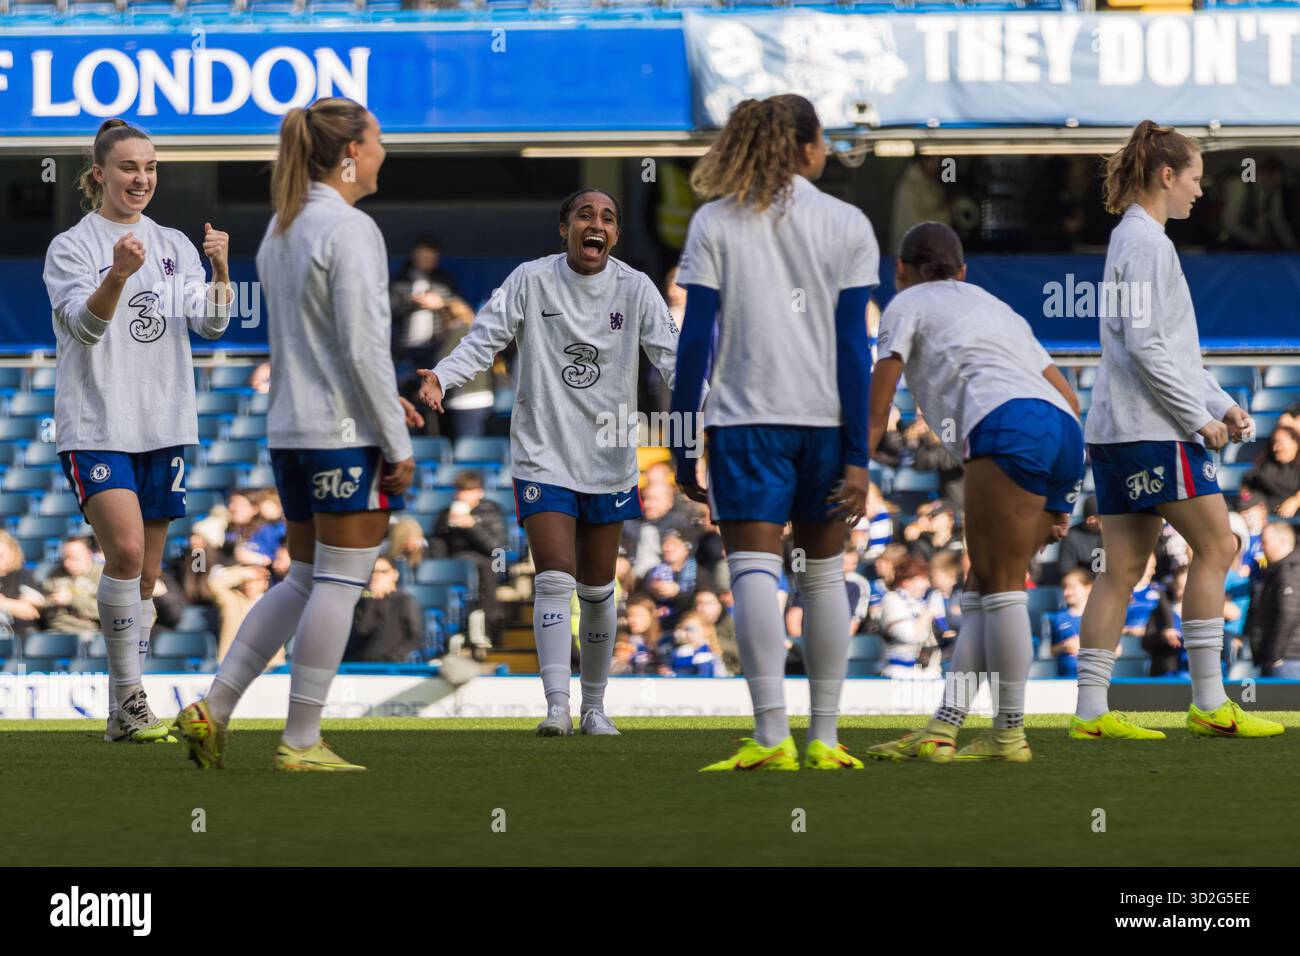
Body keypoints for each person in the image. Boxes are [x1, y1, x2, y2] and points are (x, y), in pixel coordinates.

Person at [175, 98, 419, 772]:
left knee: (305, 578)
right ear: (350, 153)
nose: (383, 151)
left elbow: (331, 348)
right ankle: (302, 741)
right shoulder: (350, 229)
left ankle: (213, 710)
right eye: (377, 139)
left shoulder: (280, 230)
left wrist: (385, 403)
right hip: (342, 432)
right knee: (340, 583)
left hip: (289, 431)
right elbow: (363, 349)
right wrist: (395, 441)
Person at [417, 186, 682, 737]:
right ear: (565, 230)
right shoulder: (530, 279)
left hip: (609, 456)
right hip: (543, 455)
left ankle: (595, 706)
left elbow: (673, 359)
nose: (598, 223)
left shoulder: (635, 288)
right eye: (585, 214)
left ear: (615, 235)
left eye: (608, 218)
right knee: (554, 578)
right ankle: (557, 706)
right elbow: (483, 338)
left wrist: (710, 415)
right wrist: (444, 375)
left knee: (598, 587)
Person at [672, 93, 879, 771]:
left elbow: (694, 342)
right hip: (825, 424)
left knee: (754, 573)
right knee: (823, 580)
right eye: (822, 140)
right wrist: (857, 454)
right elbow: (856, 351)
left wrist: (680, 441)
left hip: (744, 422)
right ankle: (824, 739)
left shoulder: (714, 223)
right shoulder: (848, 222)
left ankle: (770, 739)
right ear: (807, 147)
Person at [1072, 120, 1282, 741]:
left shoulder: (1138, 240)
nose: (1200, 190)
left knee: (1123, 569)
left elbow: (1169, 352)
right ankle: (1210, 701)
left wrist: (1222, 402)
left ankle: (1090, 714)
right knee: (1220, 546)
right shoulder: (1144, 243)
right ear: (1167, 175)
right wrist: (1198, 418)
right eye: (1195, 178)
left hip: (1122, 428)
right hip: (1151, 431)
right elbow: (1145, 346)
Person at [866, 220, 1084, 763]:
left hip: (1005, 427)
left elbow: (883, 386)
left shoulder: (906, 302)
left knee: (1003, 588)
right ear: (963, 272)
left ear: (901, 270)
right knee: (981, 585)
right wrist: (1059, 501)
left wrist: (857, 455)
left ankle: (1009, 734)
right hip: (1061, 432)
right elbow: (1070, 399)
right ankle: (944, 727)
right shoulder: (995, 305)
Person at [43, 117, 231, 743]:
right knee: (122, 554)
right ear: (100, 173)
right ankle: (128, 703)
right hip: (97, 423)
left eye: (150, 167)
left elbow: (210, 326)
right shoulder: (72, 246)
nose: (142, 178)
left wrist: (222, 272)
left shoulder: (174, 241)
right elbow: (85, 329)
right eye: (129, 167)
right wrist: (119, 273)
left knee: (146, 578)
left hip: (165, 423)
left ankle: (126, 713)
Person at [433, 470, 506, 642]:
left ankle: (486, 629)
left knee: (487, 568)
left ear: (479, 492)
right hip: (454, 562)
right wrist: (447, 526)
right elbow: (438, 542)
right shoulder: (446, 513)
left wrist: (472, 527)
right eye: (460, 491)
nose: (462, 495)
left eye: (467, 491)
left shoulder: (490, 512)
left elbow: (497, 548)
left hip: (486, 562)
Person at [1245, 521, 1300, 676]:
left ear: (1283, 542)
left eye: (1265, 542)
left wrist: (1275, 654)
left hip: (1288, 659)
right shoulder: (1281, 569)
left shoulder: (1290, 570)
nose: (1262, 548)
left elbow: (1289, 613)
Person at [346, 557, 425, 662]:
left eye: (383, 571)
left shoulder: (404, 600)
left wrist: (394, 656)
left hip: (392, 666)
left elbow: (415, 637)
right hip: (363, 665)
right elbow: (362, 630)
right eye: (373, 572)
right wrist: (372, 600)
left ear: (395, 575)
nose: (377, 576)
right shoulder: (364, 602)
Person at [39, 538, 103, 634]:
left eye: (73, 558)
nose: (66, 563)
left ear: (88, 555)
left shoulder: (102, 575)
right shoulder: (57, 573)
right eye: (64, 558)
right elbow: (44, 603)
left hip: (88, 632)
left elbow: (109, 612)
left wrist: (71, 599)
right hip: (56, 631)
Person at [1240, 425, 1300, 515]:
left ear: (1295, 443)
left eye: (1280, 443)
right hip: (1270, 517)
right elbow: (1248, 484)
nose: (1275, 448)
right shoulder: (1266, 467)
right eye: (1273, 443)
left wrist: (1295, 501)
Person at [1143, 566, 1190, 678]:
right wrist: (1162, 636)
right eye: (1180, 587)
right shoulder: (1161, 611)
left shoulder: (1204, 612)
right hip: (1166, 674)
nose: (1183, 592)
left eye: (1187, 587)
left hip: (1195, 673)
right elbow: (1146, 643)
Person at [0, 531, 45, 642]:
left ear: (13, 553)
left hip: (21, 635)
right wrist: (15, 605)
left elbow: (31, 612)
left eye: (1, 555)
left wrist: (4, 603)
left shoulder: (23, 575)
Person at [1049, 568, 1094, 679]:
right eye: (1064, 588)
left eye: (1072, 588)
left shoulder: (1099, 617)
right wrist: (1064, 646)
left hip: (1093, 680)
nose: (1067, 592)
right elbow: (1051, 651)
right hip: (1064, 680)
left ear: (1088, 588)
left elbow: (1116, 650)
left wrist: (1084, 647)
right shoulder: (1058, 618)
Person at [1057, 495, 1102, 576]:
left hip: (1107, 583)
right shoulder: (1072, 536)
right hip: (1082, 584)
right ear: (1091, 520)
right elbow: (1066, 571)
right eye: (1102, 518)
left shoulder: (1110, 535)